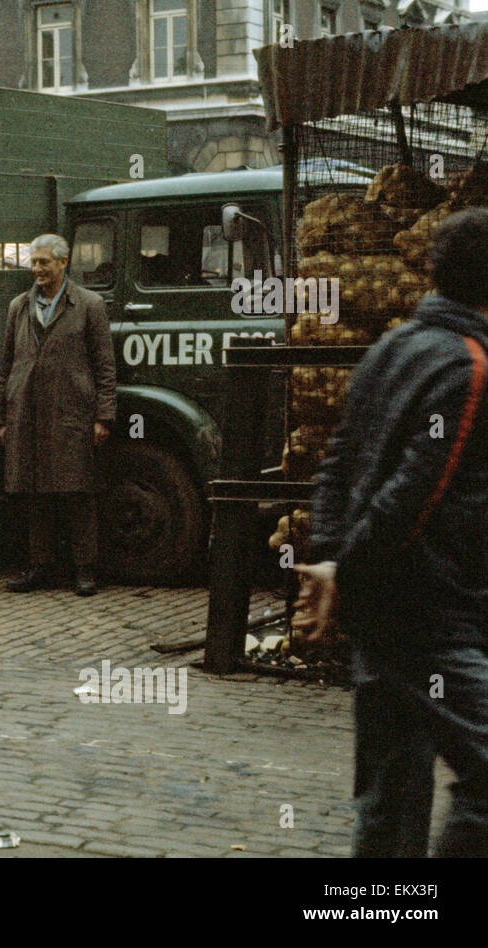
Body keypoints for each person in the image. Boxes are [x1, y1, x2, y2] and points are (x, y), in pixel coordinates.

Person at [294, 208, 488, 858]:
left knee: (390, 794)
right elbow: (413, 495)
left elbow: (339, 464)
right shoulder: (468, 365)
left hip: (381, 611)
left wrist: (330, 562)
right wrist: (341, 570)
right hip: (429, 615)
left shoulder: (389, 348)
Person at [0, 233, 115, 596]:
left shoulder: (89, 305)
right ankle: (39, 567)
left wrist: (103, 417)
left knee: (77, 493)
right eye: (33, 263)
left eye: (44, 262)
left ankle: (84, 570)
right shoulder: (19, 306)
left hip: (70, 414)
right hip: (27, 414)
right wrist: (2, 417)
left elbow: (105, 366)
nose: (36, 270)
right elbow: (6, 365)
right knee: (35, 494)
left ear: (63, 263)